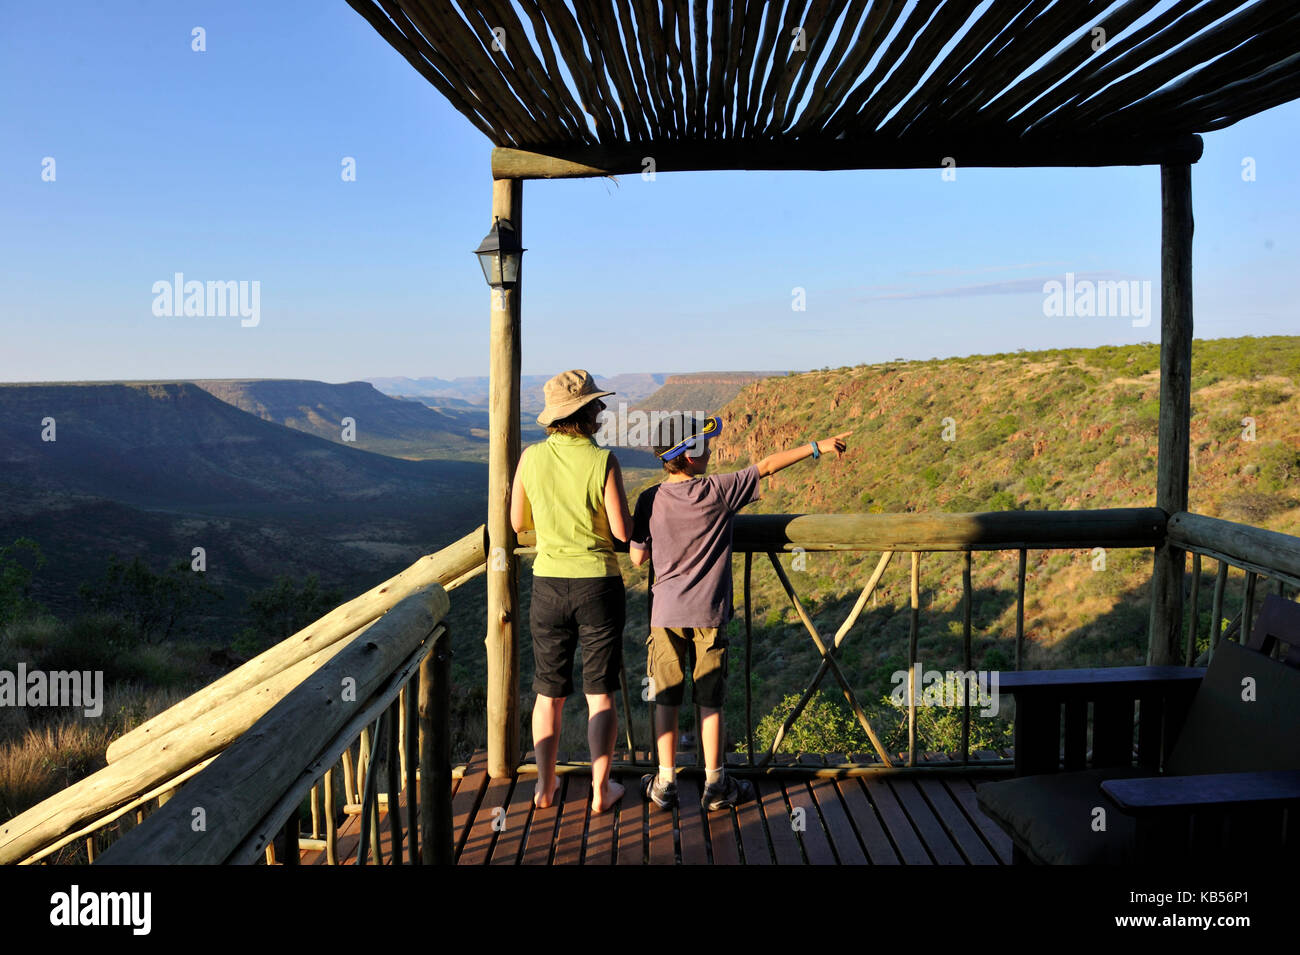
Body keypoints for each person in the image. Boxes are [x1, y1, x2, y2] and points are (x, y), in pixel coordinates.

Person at [629, 413, 851, 811]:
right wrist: (817, 446)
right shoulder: (719, 490)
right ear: (693, 454)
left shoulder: (649, 498)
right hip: (709, 615)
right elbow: (766, 466)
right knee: (709, 700)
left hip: (664, 614)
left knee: (666, 698)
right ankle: (715, 786)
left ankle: (664, 783)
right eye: (706, 444)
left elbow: (636, 558)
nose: (712, 449)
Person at [510, 369, 631, 813]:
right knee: (599, 691)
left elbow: (517, 523)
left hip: (547, 583)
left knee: (549, 691)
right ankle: (602, 790)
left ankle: (544, 786)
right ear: (588, 412)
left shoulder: (530, 458)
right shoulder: (604, 461)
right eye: (597, 404)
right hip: (598, 583)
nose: (601, 409)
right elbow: (621, 531)